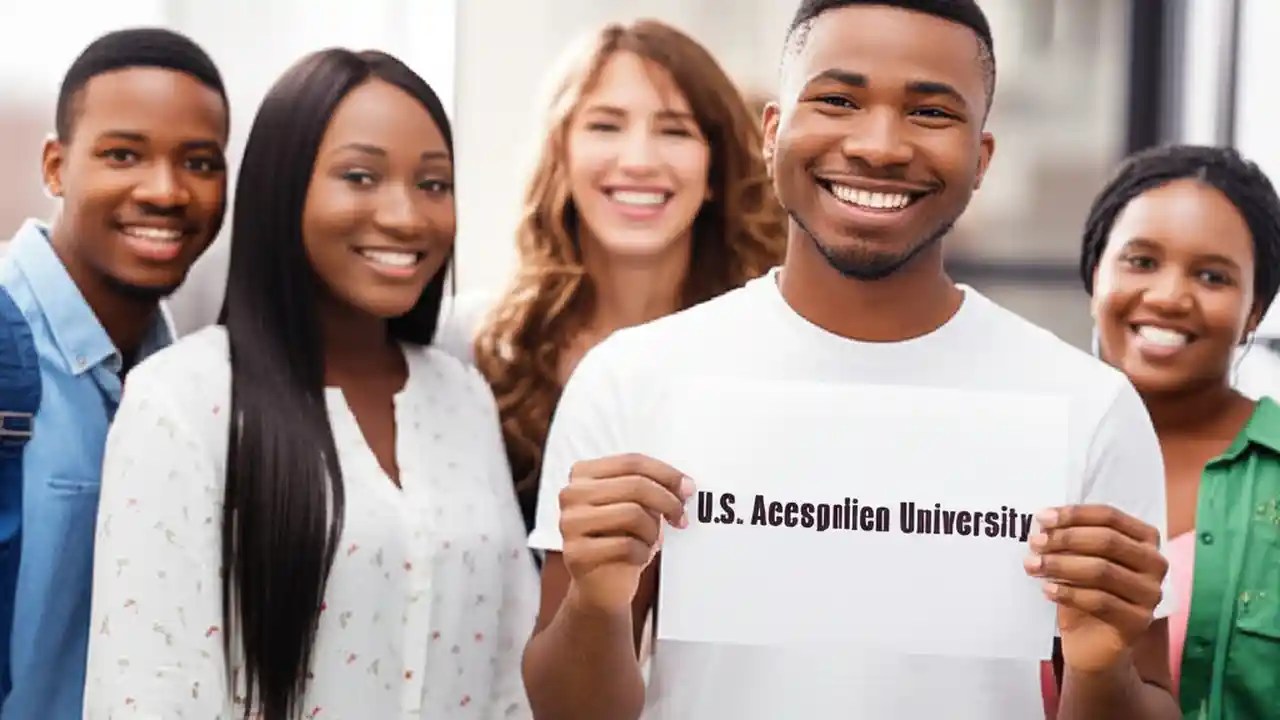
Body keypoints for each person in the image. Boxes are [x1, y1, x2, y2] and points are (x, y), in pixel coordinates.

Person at [521, 2, 1179, 719]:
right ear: (773, 134)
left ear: (982, 158)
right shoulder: (634, 379)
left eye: (930, 113)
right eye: (838, 100)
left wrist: (1100, 662)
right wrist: (595, 601)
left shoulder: (1088, 408)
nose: (879, 145)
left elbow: (1141, 702)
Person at [83, 49, 538, 718]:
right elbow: (144, 696)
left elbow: (509, 682)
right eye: (360, 176)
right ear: (282, 188)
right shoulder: (182, 401)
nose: (406, 215)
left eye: (433, 184)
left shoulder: (463, 397)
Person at [436, 19, 784, 532]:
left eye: (674, 130)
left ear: (715, 171)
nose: (639, 160)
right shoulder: (472, 345)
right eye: (605, 126)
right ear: (561, 155)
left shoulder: (763, 358)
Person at [0, 28, 229, 718]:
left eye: (199, 162)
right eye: (122, 154)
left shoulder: (197, 390)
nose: (165, 191)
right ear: (55, 167)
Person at [1080, 145, 1280, 719]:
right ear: (1096, 275)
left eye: (1212, 276)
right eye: (1141, 262)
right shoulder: (1015, 447)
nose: (1169, 296)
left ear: (1254, 313)